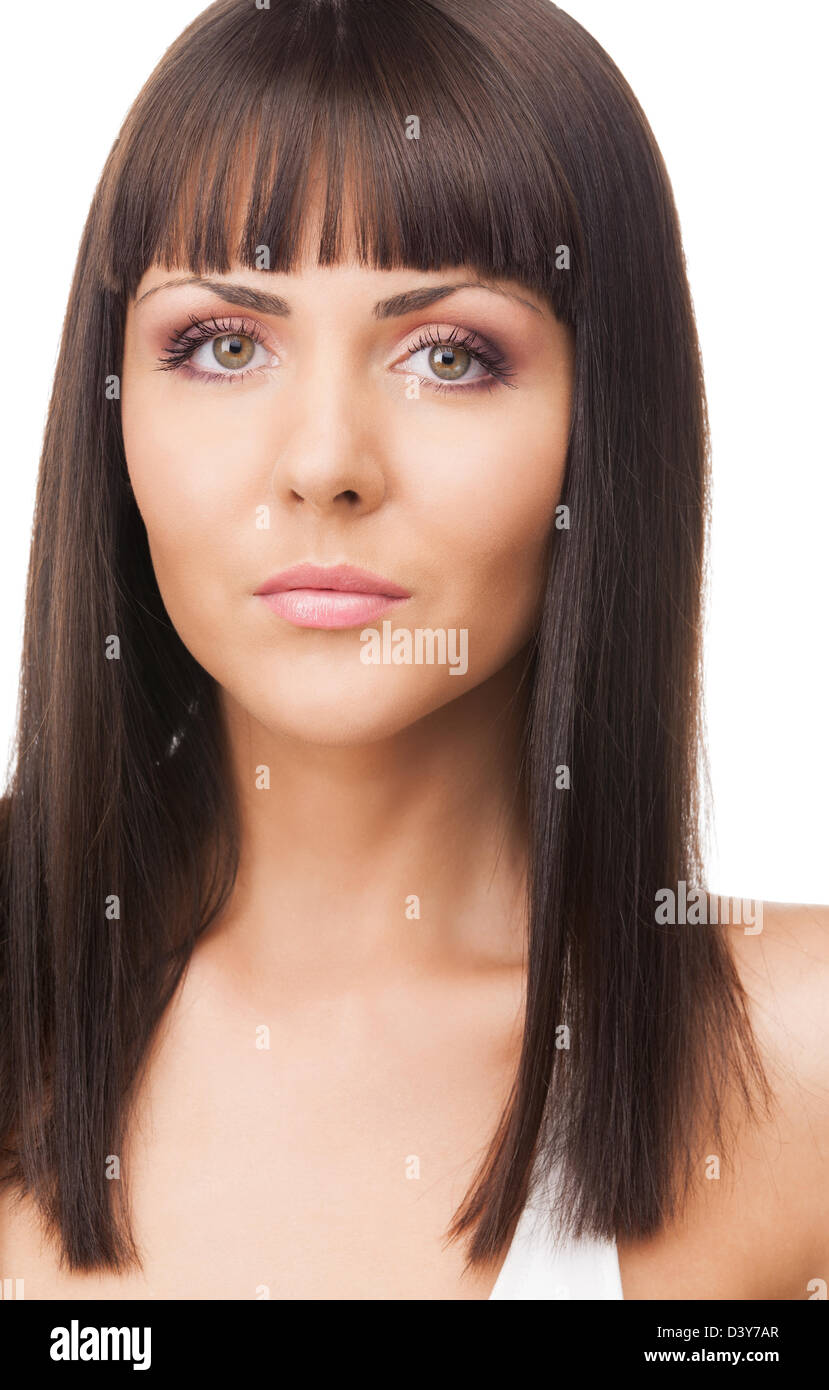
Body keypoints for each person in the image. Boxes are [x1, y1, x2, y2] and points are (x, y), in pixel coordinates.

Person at [0, 0, 826, 1299]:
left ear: (602, 422)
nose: (324, 461)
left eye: (450, 354)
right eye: (222, 344)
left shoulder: (798, 1066)